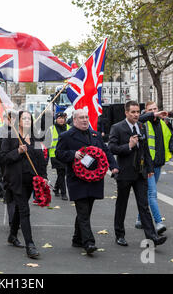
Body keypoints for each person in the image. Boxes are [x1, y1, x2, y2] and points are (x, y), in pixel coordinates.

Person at [56, 109, 119, 255]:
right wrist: (73, 154)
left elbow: (106, 152)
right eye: (81, 118)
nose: (85, 120)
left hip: (94, 179)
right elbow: (59, 153)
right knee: (83, 211)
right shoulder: (66, 136)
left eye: (86, 117)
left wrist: (114, 166)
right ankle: (89, 242)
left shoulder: (95, 135)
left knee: (86, 211)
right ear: (75, 119)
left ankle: (77, 238)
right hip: (77, 179)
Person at [109, 101, 167, 247]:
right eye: (133, 112)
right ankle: (119, 235)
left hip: (140, 173)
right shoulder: (117, 127)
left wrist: (149, 169)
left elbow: (145, 149)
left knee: (144, 205)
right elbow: (112, 148)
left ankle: (152, 236)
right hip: (125, 173)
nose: (136, 115)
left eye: (137, 112)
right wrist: (128, 146)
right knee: (121, 204)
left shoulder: (141, 126)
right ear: (126, 113)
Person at [0, 110, 48, 259]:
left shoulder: (35, 137)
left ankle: (12, 235)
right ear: (18, 121)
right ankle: (30, 245)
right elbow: (2, 158)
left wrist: (44, 177)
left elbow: (41, 160)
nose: (27, 120)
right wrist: (18, 151)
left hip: (32, 180)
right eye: (24, 118)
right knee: (25, 210)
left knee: (21, 209)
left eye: (29, 118)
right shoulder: (10, 136)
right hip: (16, 181)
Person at [135, 101, 173, 234]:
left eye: (155, 109)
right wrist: (152, 114)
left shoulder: (162, 123)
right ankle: (159, 222)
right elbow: (139, 118)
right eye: (150, 110)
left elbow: (171, 138)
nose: (154, 111)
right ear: (146, 112)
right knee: (152, 194)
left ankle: (140, 219)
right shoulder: (142, 123)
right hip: (146, 166)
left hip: (158, 165)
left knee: (146, 194)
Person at [0, 110, 17, 226]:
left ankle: (16, 217)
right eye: (8, 118)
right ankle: (12, 220)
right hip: (3, 166)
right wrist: (1, 157)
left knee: (17, 192)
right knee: (8, 190)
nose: (11, 120)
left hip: (18, 166)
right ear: (4, 119)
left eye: (13, 118)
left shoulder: (21, 132)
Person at [47, 112, 70, 200]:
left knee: (62, 173)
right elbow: (47, 142)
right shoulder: (51, 129)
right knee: (61, 173)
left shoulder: (69, 128)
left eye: (62, 118)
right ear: (56, 119)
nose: (61, 120)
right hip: (55, 155)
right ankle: (63, 193)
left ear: (65, 119)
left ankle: (56, 188)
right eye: (59, 118)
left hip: (66, 154)